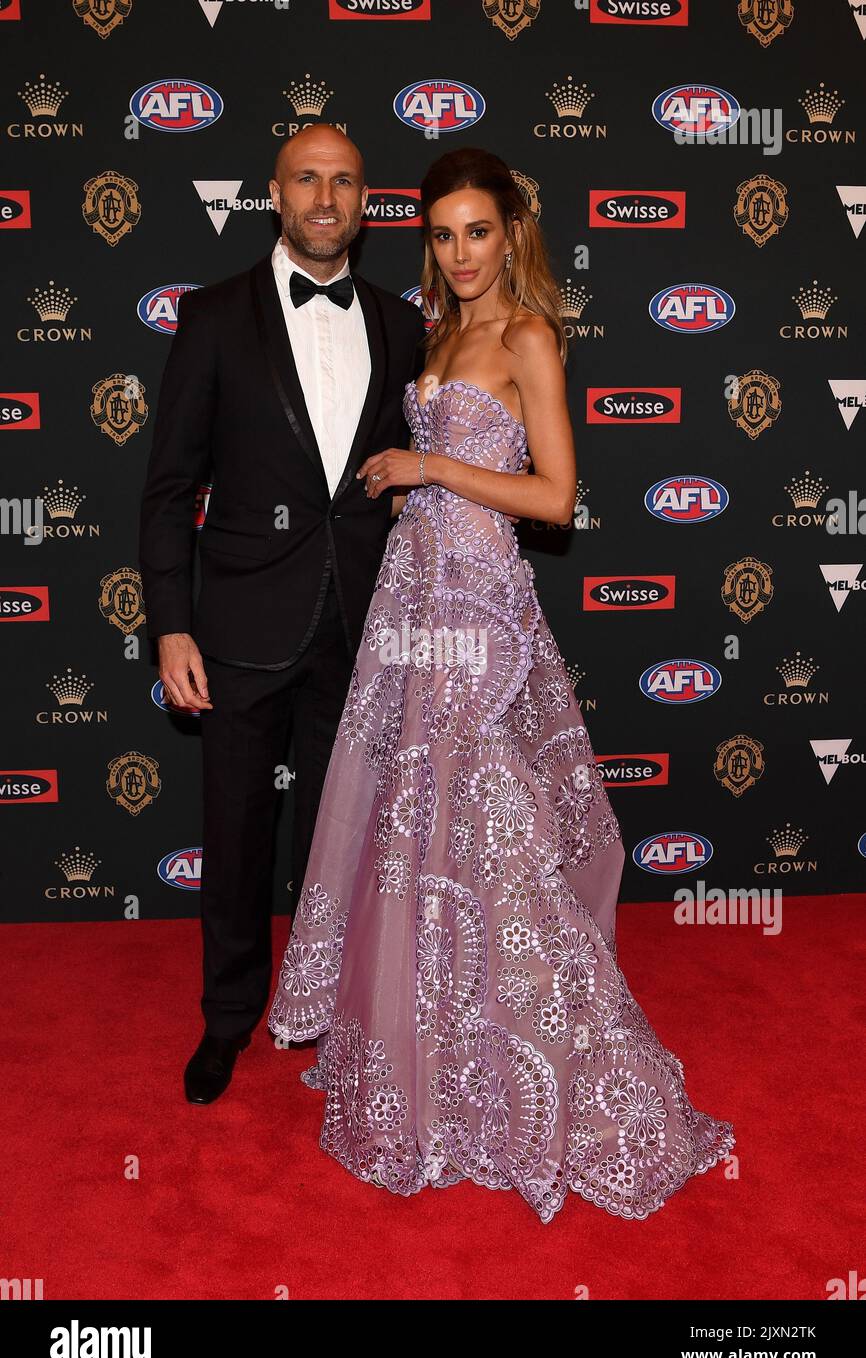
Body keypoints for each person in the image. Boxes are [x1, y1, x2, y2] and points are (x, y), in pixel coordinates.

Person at [268, 147, 736, 1223]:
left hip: (477, 612)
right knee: (414, 820)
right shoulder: (442, 332)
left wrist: (428, 468)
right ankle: (426, 1055)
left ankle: (517, 1061)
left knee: (488, 824)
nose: (459, 252)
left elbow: (557, 496)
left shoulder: (527, 335)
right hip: (415, 600)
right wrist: (414, 496)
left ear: (509, 233)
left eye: (476, 231)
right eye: (440, 234)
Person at [139, 124, 426, 1104]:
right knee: (235, 831)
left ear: (364, 199)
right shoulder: (216, 315)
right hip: (238, 627)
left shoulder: (399, 322)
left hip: (359, 624)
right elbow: (170, 483)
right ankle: (227, 1018)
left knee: (341, 839)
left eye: (343, 181)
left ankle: (329, 1010)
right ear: (275, 193)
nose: (323, 197)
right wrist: (169, 623)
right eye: (306, 178)